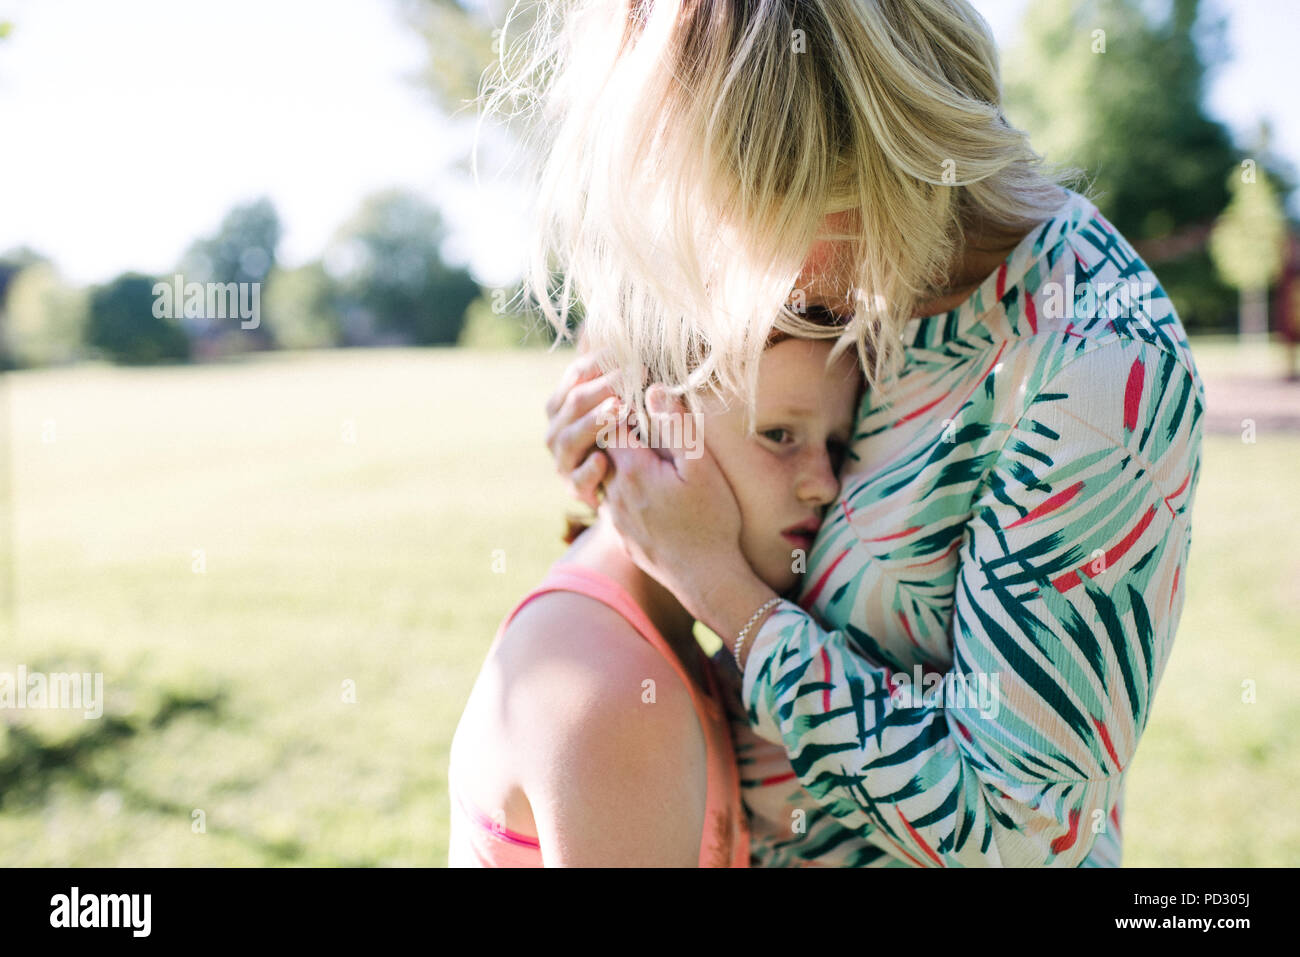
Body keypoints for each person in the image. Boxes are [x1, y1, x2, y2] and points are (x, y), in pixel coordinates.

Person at [526, 0, 1206, 865]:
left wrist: (719, 588)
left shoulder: (1097, 364)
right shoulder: (835, 269)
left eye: (748, 216)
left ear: (879, 155)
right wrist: (618, 442)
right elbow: (688, 396)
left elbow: (1021, 832)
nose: (739, 267)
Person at [448, 328, 862, 866]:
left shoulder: (654, 634)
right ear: (647, 431)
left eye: (835, 445)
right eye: (779, 435)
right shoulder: (610, 683)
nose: (824, 484)